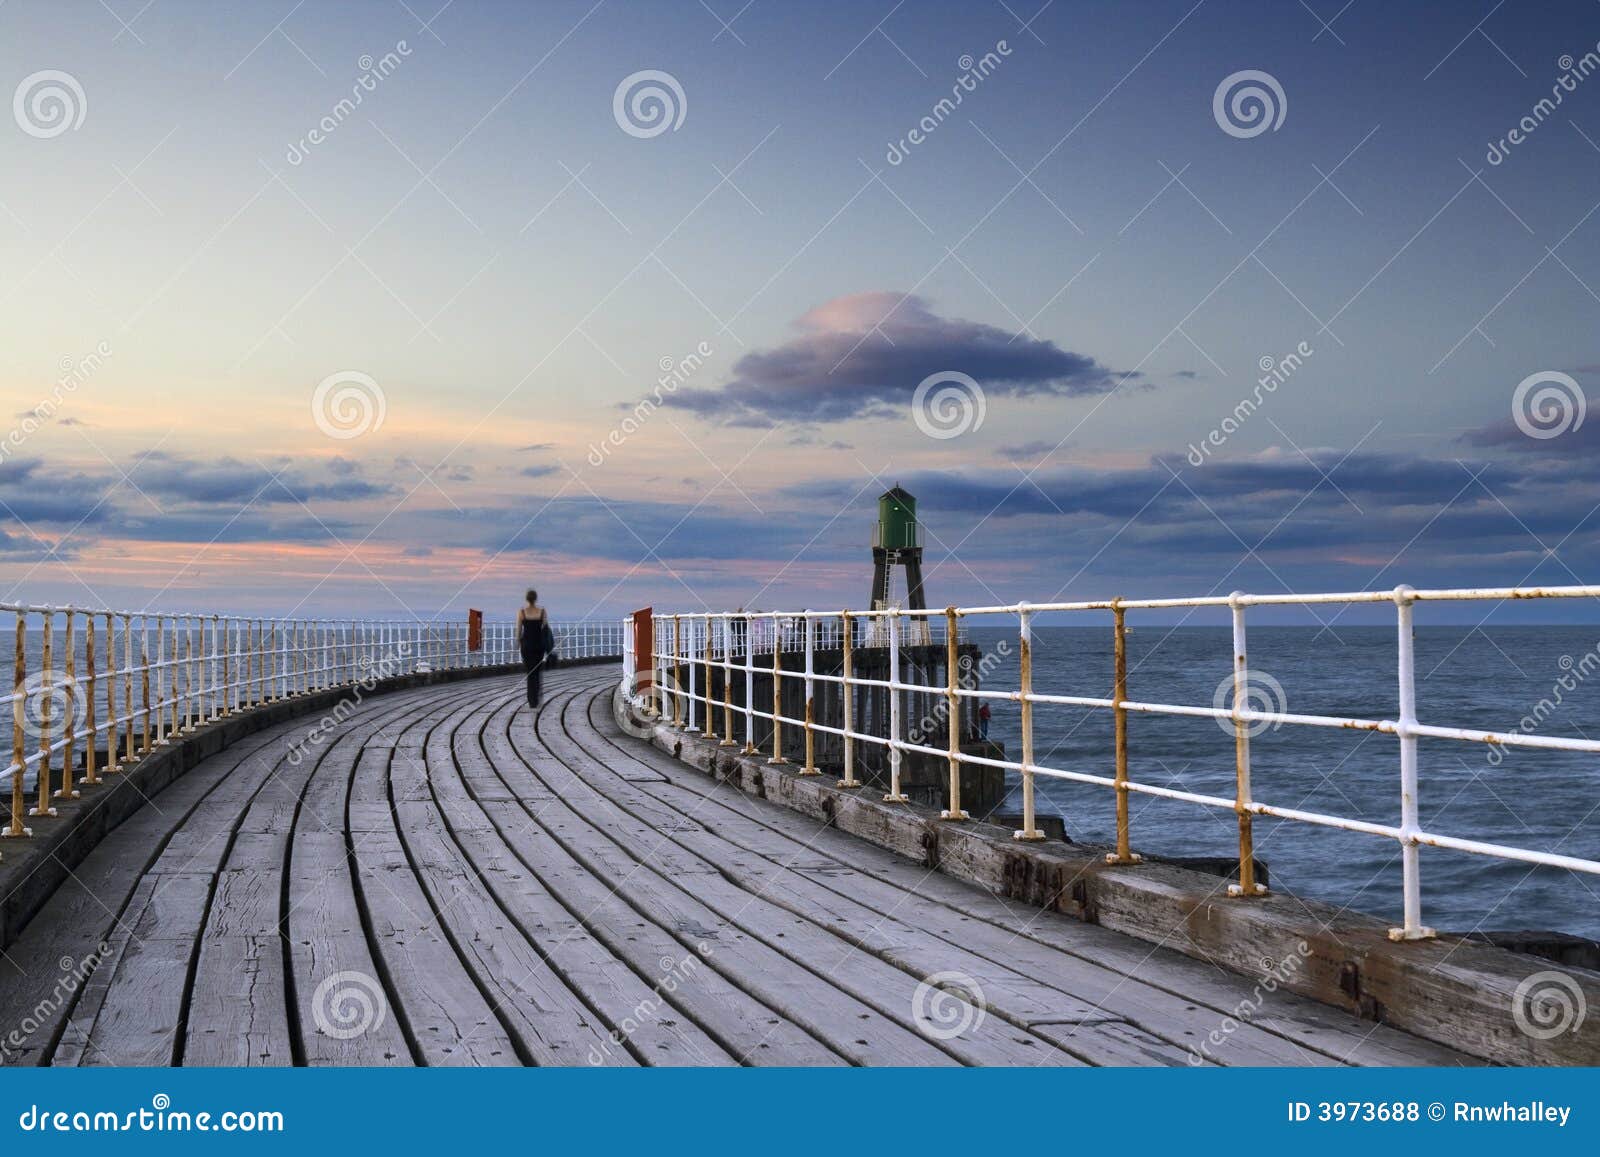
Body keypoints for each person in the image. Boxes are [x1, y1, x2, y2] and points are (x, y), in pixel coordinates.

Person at [516, 589, 555, 707]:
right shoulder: (542, 611)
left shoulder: (522, 612)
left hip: (526, 646)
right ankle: (536, 698)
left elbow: (518, 631)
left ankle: (531, 700)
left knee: (530, 672)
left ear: (527, 599)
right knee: (537, 672)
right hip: (539, 645)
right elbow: (546, 629)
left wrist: (518, 643)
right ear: (535, 598)